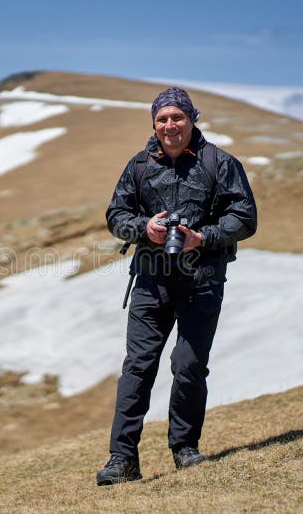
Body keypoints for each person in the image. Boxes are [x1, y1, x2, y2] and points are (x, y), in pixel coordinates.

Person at [97, 87, 257, 486]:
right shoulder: (138, 166)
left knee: (188, 367)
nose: (170, 126)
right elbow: (116, 214)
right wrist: (144, 228)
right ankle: (122, 460)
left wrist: (202, 238)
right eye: (162, 119)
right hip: (151, 282)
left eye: (177, 118)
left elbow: (245, 216)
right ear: (155, 124)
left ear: (191, 119)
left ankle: (184, 448)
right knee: (137, 367)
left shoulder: (219, 164)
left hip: (201, 282)